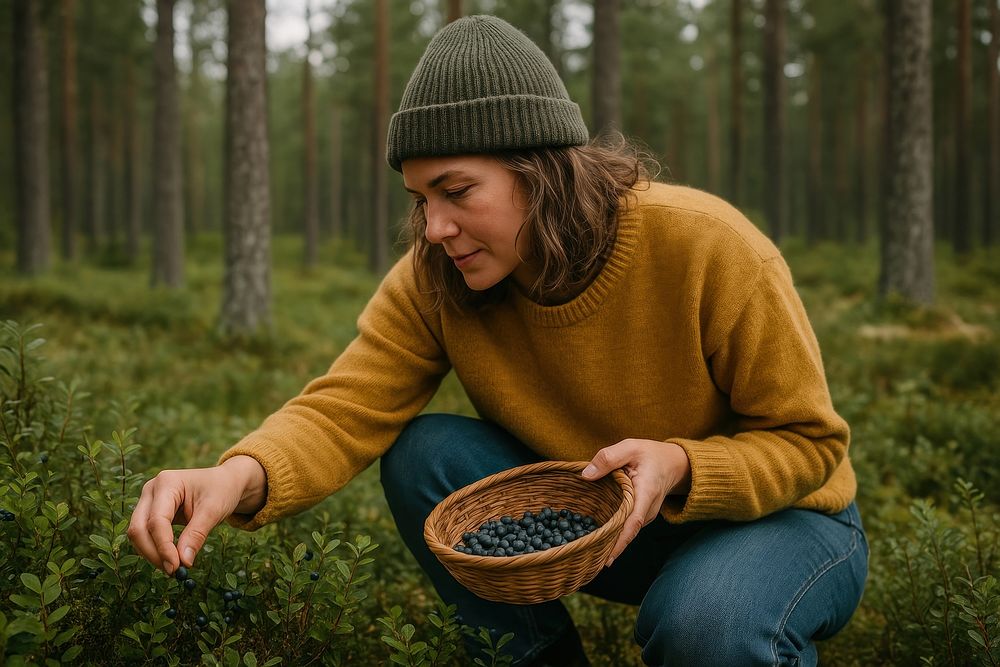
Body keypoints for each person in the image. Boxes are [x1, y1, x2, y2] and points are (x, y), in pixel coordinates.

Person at [127, 15, 868, 666]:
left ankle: (720, 614)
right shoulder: (438, 275)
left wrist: (678, 464)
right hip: (607, 526)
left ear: (540, 170)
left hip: (781, 522)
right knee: (425, 453)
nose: (435, 228)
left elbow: (811, 444)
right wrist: (236, 475)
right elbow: (343, 409)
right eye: (421, 199)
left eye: (457, 192)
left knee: (707, 623)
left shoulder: (706, 246)